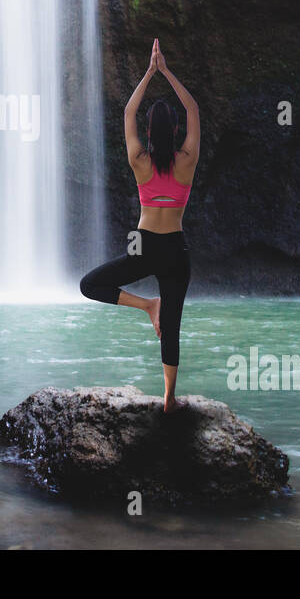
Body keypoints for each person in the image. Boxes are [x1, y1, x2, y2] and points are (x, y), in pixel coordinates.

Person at [80, 38, 198, 413]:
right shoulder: (188, 160)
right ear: (175, 129)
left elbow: (128, 113)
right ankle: (168, 398)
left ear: (149, 132)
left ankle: (147, 306)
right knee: (173, 326)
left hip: (142, 244)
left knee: (90, 285)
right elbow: (193, 109)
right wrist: (167, 72)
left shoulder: (138, 159)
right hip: (176, 249)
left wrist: (149, 72)